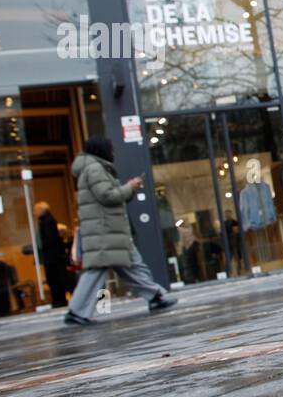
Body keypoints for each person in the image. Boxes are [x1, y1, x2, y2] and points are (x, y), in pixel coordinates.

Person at [64, 135, 177, 326]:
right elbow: (108, 196)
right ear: (102, 149)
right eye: (111, 148)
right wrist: (130, 187)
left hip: (110, 231)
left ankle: (155, 295)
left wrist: (128, 189)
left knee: (133, 265)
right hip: (106, 231)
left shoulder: (93, 168)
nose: (113, 152)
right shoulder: (94, 169)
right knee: (98, 271)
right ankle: (76, 311)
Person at [32, 202, 71, 308]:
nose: (34, 212)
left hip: (52, 257)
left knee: (54, 279)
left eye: (35, 210)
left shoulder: (47, 221)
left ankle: (58, 300)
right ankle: (59, 299)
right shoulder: (47, 220)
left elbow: (50, 239)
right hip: (53, 256)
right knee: (56, 279)